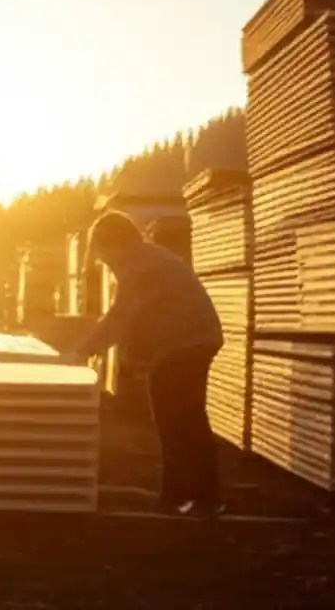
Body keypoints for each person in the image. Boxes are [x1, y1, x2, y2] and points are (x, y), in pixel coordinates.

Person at [69, 210, 225, 517]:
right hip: (192, 339)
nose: (105, 263)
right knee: (186, 419)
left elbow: (119, 320)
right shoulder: (146, 260)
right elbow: (139, 320)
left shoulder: (139, 267)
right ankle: (198, 495)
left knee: (177, 419)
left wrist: (80, 351)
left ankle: (183, 497)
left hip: (187, 342)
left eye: (103, 254)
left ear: (114, 244)